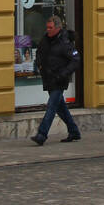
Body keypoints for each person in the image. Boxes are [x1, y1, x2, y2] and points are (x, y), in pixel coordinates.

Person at [30, 15, 82, 145]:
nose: (48, 30)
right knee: (61, 108)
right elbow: (39, 53)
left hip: (59, 80)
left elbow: (76, 60)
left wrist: (63, 74)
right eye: (47, 27)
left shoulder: (65, 42)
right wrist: (39, 64)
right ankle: (74, 131)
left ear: (58, 28)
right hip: (48, 78)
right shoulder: (45, 40)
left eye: (50, 28)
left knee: (51, 106)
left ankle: (42, 134)